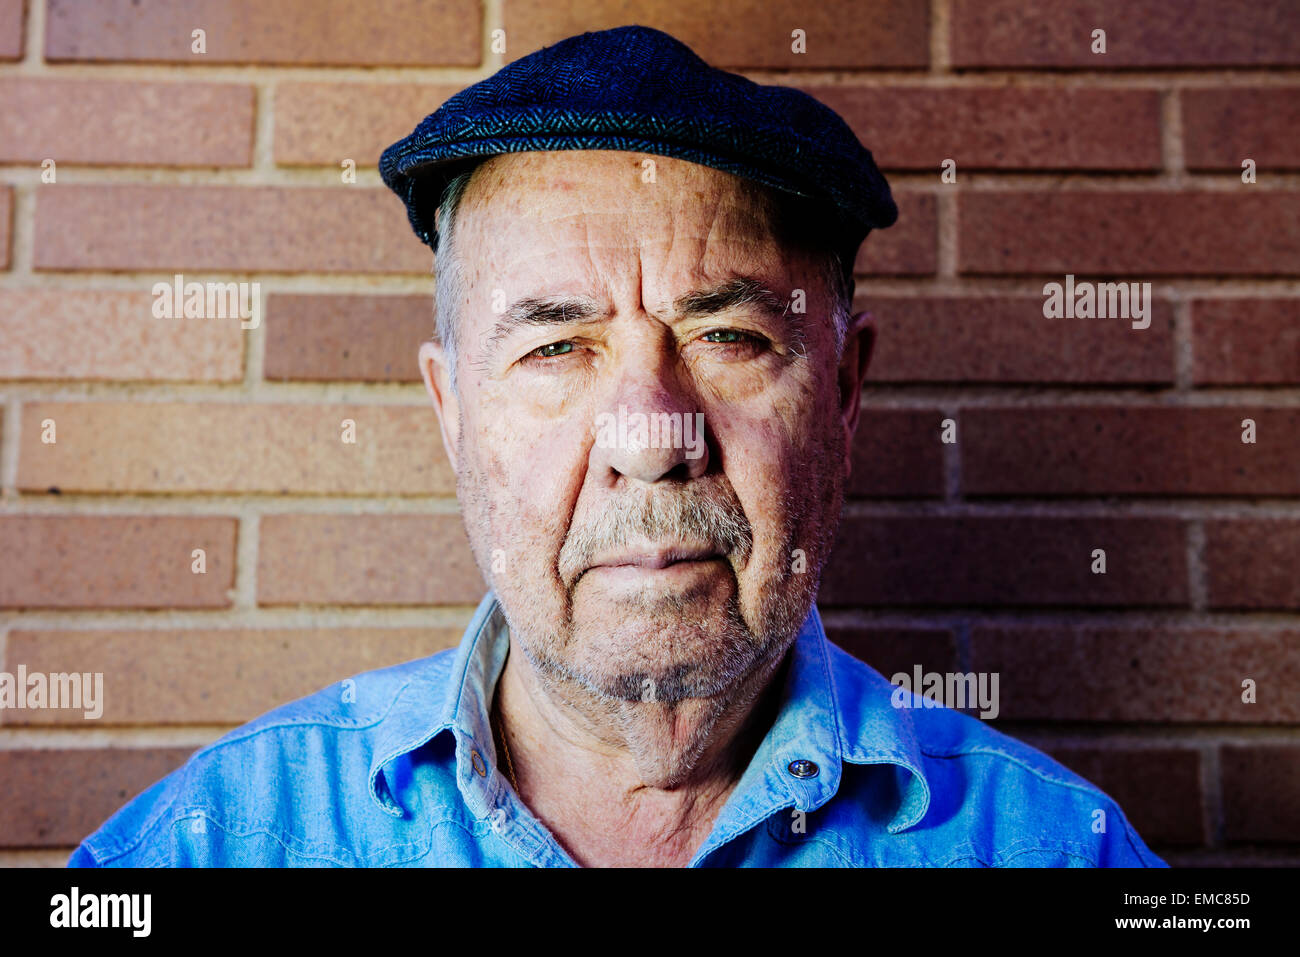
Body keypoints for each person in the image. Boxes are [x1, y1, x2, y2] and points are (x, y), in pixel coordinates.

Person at [69, 25, 1165, 868]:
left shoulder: (1058, 850)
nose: (650, 439)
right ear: (452, 413)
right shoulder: (216, 847)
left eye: (728, 337)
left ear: (843, 395)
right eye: (556, 348)